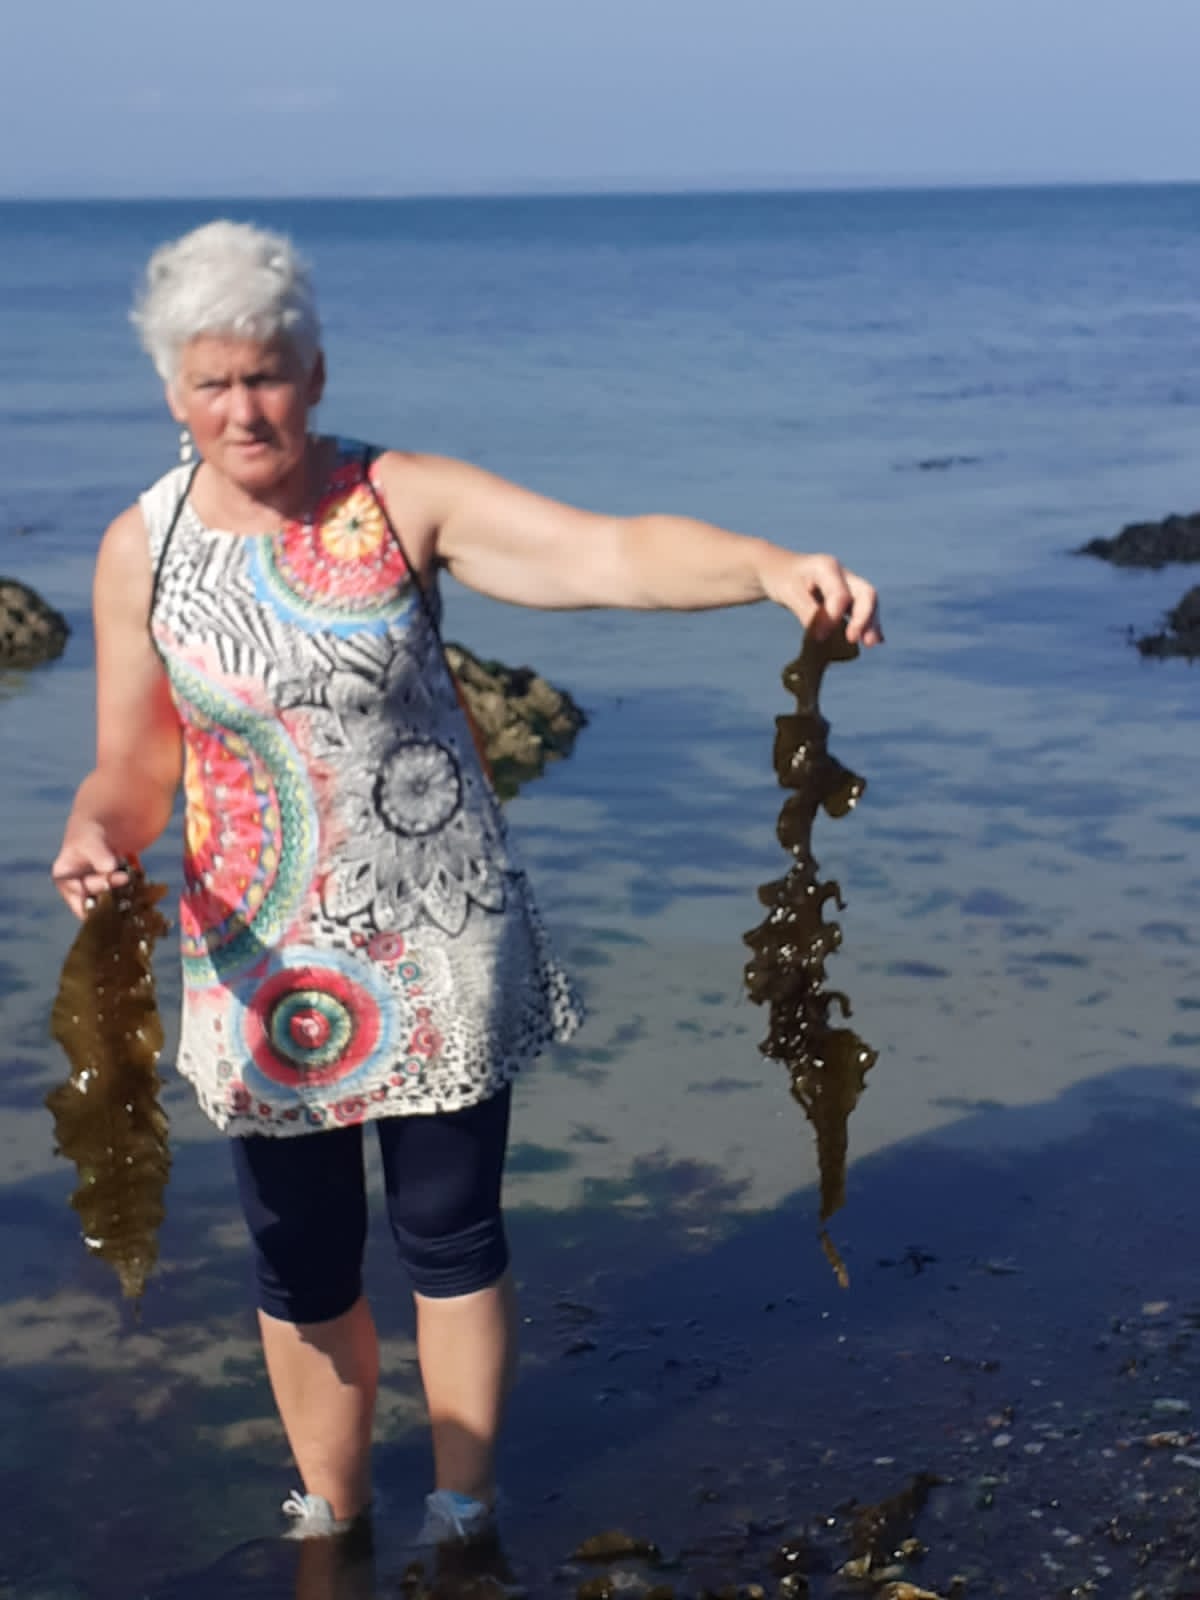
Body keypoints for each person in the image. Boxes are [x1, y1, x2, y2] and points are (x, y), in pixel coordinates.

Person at [52, 220, 883, 1548]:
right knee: (300, 1259)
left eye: (268, 374)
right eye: (213, 382)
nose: (243, 406)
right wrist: (98, 833)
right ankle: (328, 1516)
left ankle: (460, 1512)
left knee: (449, 1236)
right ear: (172, 393)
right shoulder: (137, 548)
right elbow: (131, 765)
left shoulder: (400, 498)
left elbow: (602, 556)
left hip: (432, 941)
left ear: (316, 373)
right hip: (260, 964)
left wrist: (763, 569)